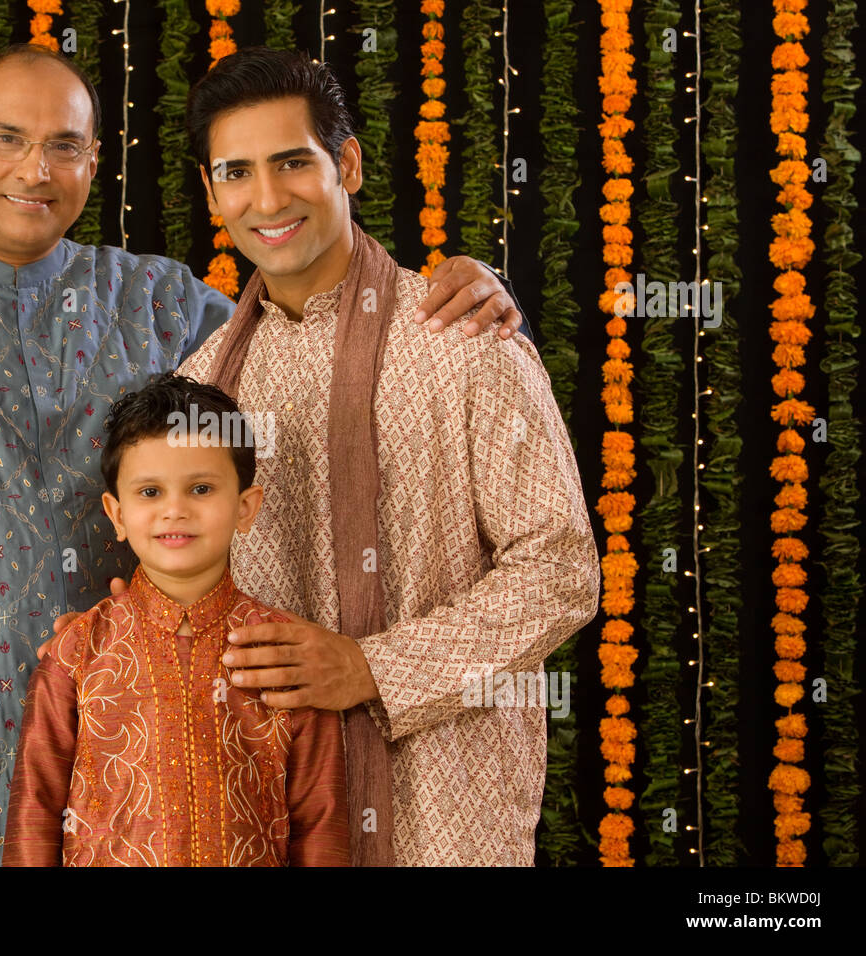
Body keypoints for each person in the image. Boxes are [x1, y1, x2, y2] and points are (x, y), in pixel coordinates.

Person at [0, 42, 531, 866]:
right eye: (5, 139)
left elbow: (315, 345)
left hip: (140, 817)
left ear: (95, 159)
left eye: (65, 146)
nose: (35, 170)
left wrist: (472, 296)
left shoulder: (164, 308)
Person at [173, 48, 601, 865]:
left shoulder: (464, 336)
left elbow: (561, 570)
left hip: (448, 815)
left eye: (293, 162)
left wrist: (372, 668)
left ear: (349, 164)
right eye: (237, 172)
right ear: (211, 191)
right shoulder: (202, 385)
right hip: (262, 817)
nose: (267, 199)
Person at [1, 374, 348, 866]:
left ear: (245, 508)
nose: (174, 510)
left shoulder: (286, 653)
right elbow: (34, 811)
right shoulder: (79, 651)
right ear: (116, 514)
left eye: (201, 488)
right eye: (149, 492)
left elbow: (320, 822)